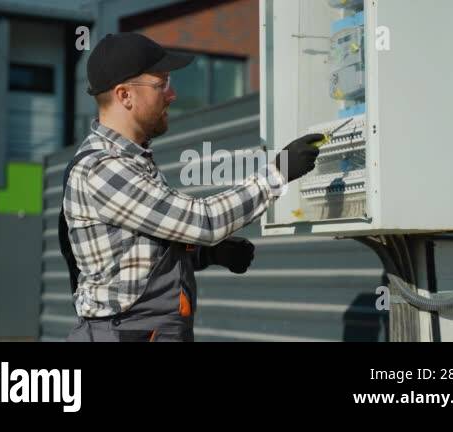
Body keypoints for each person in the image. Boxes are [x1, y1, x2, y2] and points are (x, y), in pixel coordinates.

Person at [64, 32, 322, 342]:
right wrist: (278, 174)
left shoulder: (130, 161)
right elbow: (203, 220)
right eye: (161, 84)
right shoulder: (104, 169)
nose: (171, 95)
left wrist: (206, 255)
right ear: (124, 96)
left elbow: (134, 256)